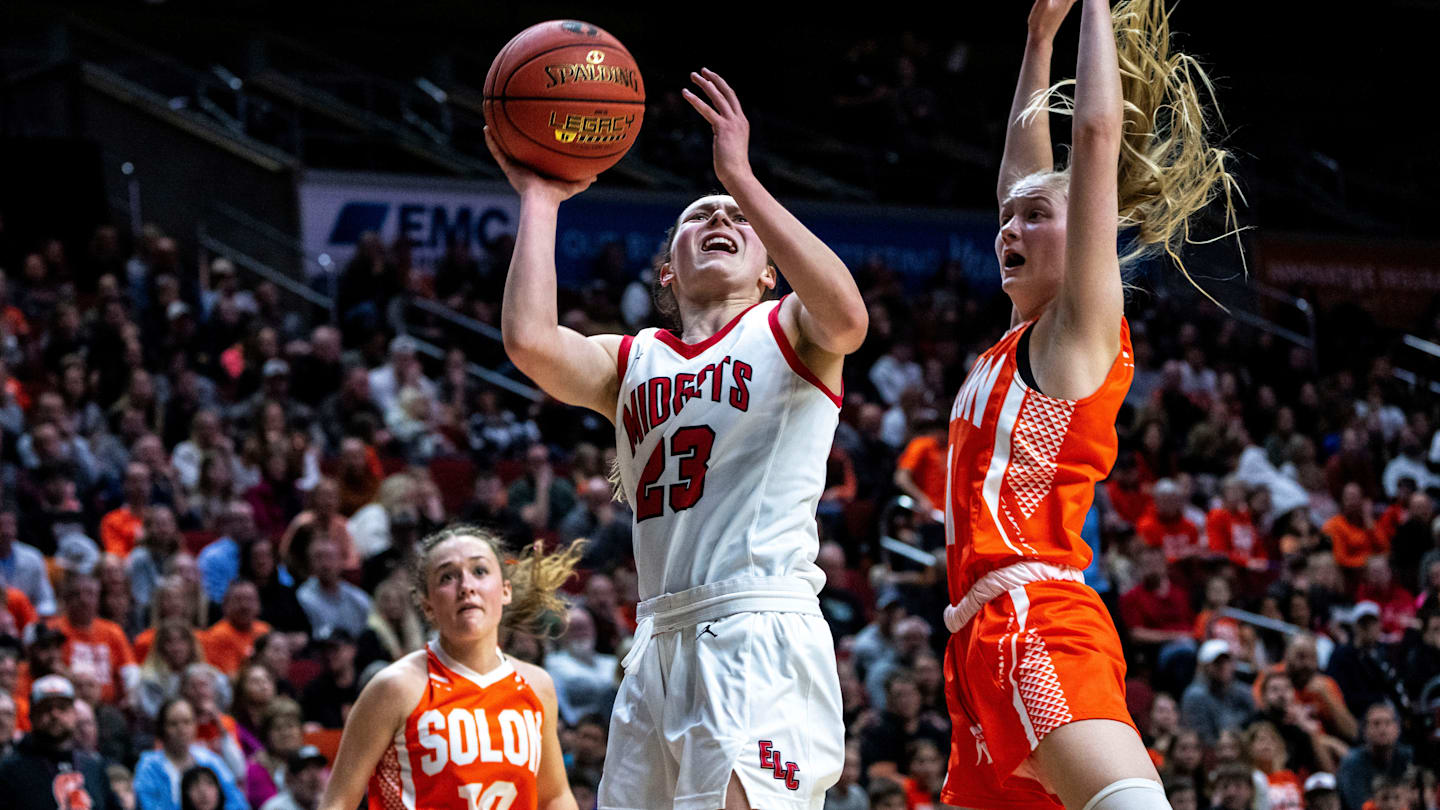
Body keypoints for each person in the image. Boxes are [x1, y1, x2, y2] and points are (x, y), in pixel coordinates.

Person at [487, 59, 867, 809]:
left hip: (757, 625)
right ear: (666, 270)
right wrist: (540, 196)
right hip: (657, 640)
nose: (721, 219)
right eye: (700, 216)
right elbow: (529, 341)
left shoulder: (789, 327)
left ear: (769, 272)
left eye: (737, 219)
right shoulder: (631, 359)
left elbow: (849, 318)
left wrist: (742, 179)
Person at [938, 0, 1241, 807]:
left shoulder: (1073, 334)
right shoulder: (1018, 337)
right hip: (975, 642)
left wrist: (1095, 6)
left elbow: (1096, 141)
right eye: (1006, 220)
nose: (1010, 226)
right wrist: (1036, 40)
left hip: (1036, 617)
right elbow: (1021, 177)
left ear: (1084, 237)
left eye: (1036, 218)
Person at [317, 525, 579, 810]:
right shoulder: (395, 687)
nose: (466, 586)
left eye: (480, 571)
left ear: (505, 591)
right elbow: (337, 803)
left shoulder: (537, 685)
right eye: (447, 577)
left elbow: (555, 796)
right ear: (428, 606)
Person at [133, 697, 248, 810]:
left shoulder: (209, 760)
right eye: (173, 724)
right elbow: (148, 804)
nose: (181, 729)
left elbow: (236, 801)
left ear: (195, 725)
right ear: (162, 728)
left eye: (187, 722)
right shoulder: (149, 766)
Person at [259, 745, 327, 810]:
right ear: (290, 778)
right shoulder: (276, 807)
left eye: (318, 768)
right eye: (305, 769)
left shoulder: (330, 804)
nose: (314, 777)